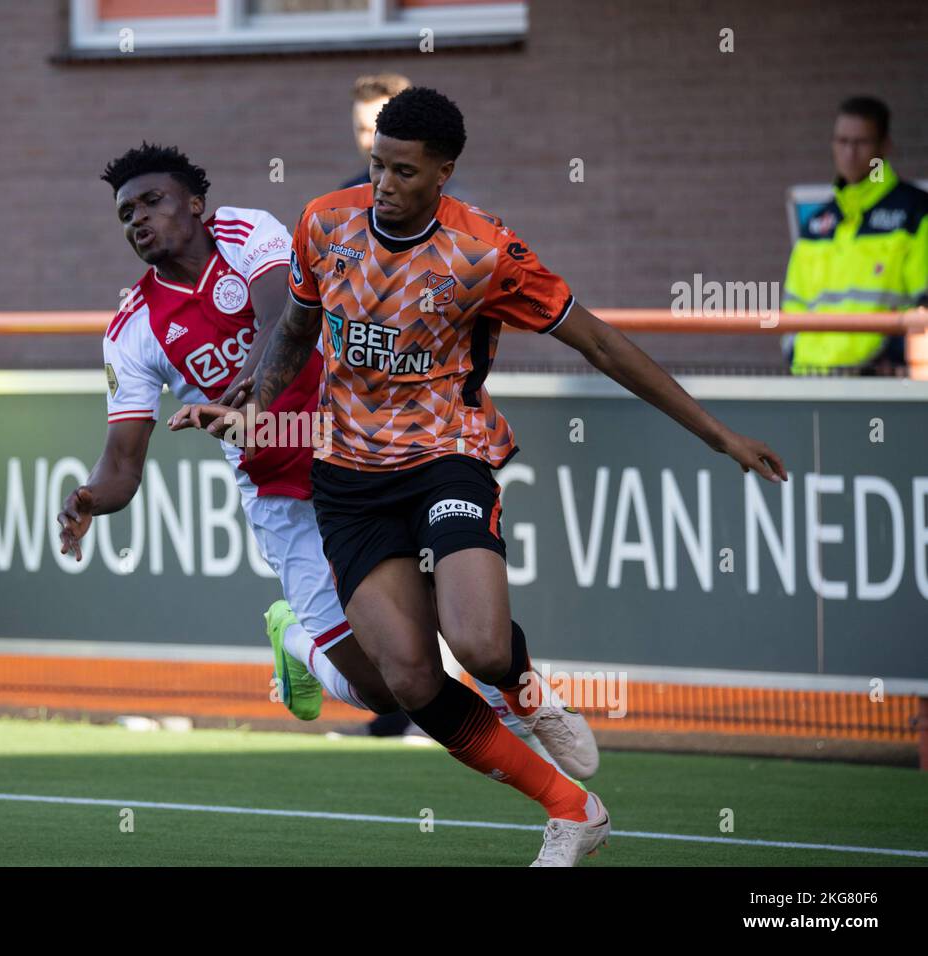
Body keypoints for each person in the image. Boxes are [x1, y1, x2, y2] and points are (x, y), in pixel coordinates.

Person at [174, 87, 789, 865]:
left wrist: (717, 434)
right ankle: (572, 811)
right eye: (376, 166)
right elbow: (295, 329)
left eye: (404, 171)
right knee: (408, 678)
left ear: (444, 173)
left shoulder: (485, 251)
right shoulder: (325, 222)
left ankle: (524, 688)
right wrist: (255, 409)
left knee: (482, 645)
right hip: (350, 479)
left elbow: (598, 343)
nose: (385, 186)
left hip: (446, 459)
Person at [59, 143, 593, 781]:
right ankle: (293, 640)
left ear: (195, 204)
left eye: (152, 201)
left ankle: (524, 708)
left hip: (369, 453)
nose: (138, 220)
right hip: (281, 498)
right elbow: (121, 466)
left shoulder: (246, 230)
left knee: (461, 619)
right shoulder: (131, 329)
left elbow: (277, 316)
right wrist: (89, 498)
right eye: (125, 214)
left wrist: (250, 397)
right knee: (388, 687)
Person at [786, 96, 928, 374]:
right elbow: (793, 307)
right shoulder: (816, 224)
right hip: (809, 380)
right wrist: (794, 355)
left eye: (861, 142)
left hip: (880, 384)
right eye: (842, 141)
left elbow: (924, 305)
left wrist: (893, 361)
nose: (850, 152)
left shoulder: (915, 213)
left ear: (884, 146)